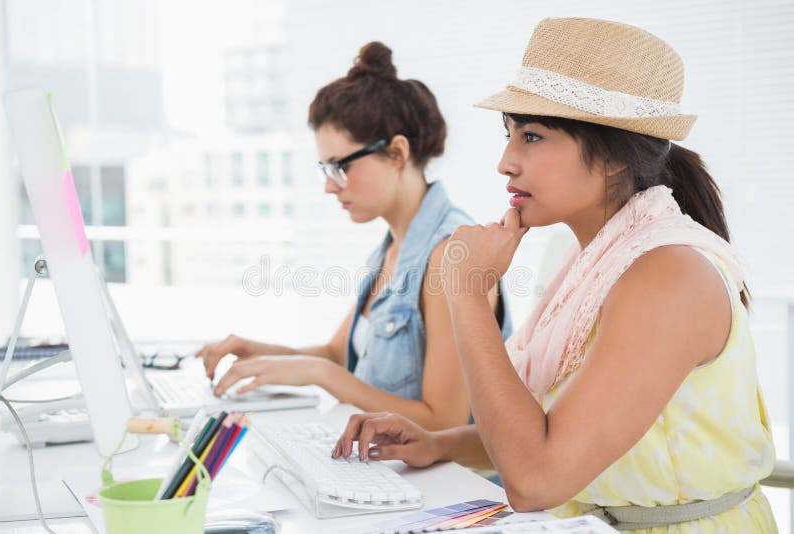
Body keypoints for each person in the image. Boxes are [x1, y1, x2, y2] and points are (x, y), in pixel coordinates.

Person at [333, 18, 777, 532]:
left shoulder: (667, 274)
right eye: (509, 135)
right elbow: (563, 431)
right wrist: (438, 443)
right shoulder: (595, 256)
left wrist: (468, 293)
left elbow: (537, 479)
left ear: (612, 155)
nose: (505, 162)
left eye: (532, 136)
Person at [197, 42, 511, 430]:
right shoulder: (396, 245)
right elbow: (339, 355)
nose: (331, 187)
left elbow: (443, 423)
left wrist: (319, 375)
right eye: (324, 170)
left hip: (450, 486)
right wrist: (265, 354)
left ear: (397, 153)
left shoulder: (451, 253)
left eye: (340, 167)